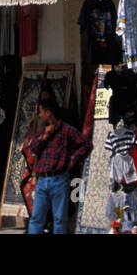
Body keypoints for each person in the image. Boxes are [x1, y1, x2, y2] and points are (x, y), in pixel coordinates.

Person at [24, 96, 90, 234]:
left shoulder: (66, 130)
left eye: (41, 112)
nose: (40, 115)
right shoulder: (42, 131)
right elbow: (33, 148)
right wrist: (44, 137)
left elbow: (85, 144)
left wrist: (73, 160)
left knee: (59, 219)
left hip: (59, 180)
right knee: (36, 218)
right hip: (42, 181)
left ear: (48, 113)